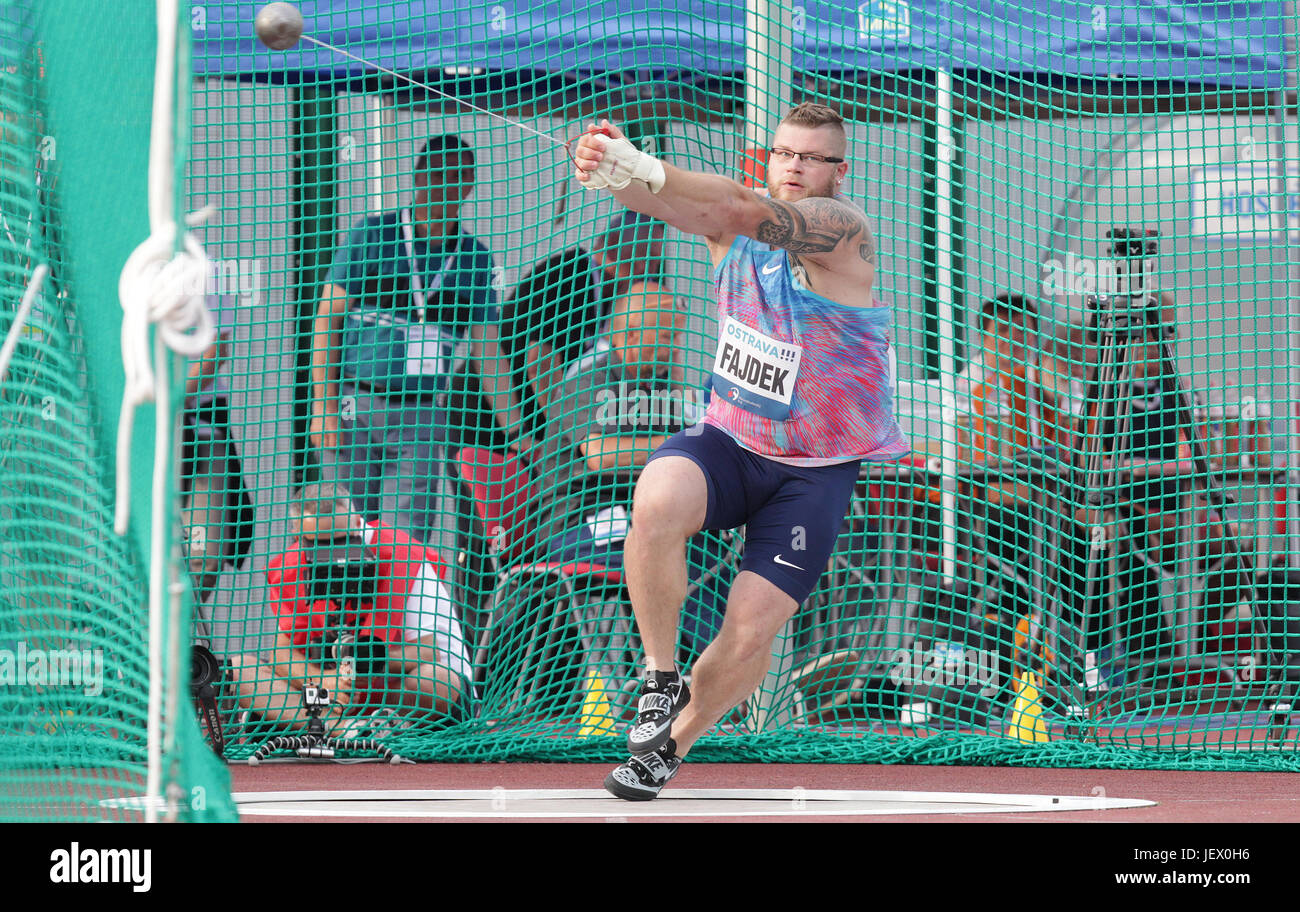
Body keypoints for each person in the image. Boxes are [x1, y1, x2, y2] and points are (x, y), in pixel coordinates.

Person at [572, 102, 910, 799]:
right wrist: (606, 168)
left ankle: (673, 745)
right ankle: (660, 677)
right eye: (786, 152)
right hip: (729, 440)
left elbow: (730, 202)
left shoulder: (842, 230)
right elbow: (668, 200)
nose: (797, 165)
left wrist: (641, 165)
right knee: (657, 500)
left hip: (812, 472)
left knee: (751, 631)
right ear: (770, 156)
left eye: (814, 157)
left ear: (839, 172)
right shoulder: (731, 227)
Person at [309, 135, 525, 545]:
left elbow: (489, 354)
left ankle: (398, 610)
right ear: (418, 176)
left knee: (404, 544)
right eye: (438, 172)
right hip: (355, 405)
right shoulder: (372, 234)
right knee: (345, 538)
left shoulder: (476, 260)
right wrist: (323, 406)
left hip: (422, 417)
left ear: (471, 184)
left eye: (460, 175)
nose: (448, 184)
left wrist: (516, 432)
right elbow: (327, 319)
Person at [226, 483, 473, 732]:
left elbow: (427, 652)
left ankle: (308, 723)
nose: (330, 552)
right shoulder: (291, 566)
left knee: (438, 680)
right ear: (297, 532)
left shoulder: (403, 555)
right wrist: (324, 681)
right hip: (331, 694)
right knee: (239, 669)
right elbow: (281, 653)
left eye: (340, 539)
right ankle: (344, 729)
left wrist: (360, 669)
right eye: (317, 543)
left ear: (356, 522)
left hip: (395, 688)